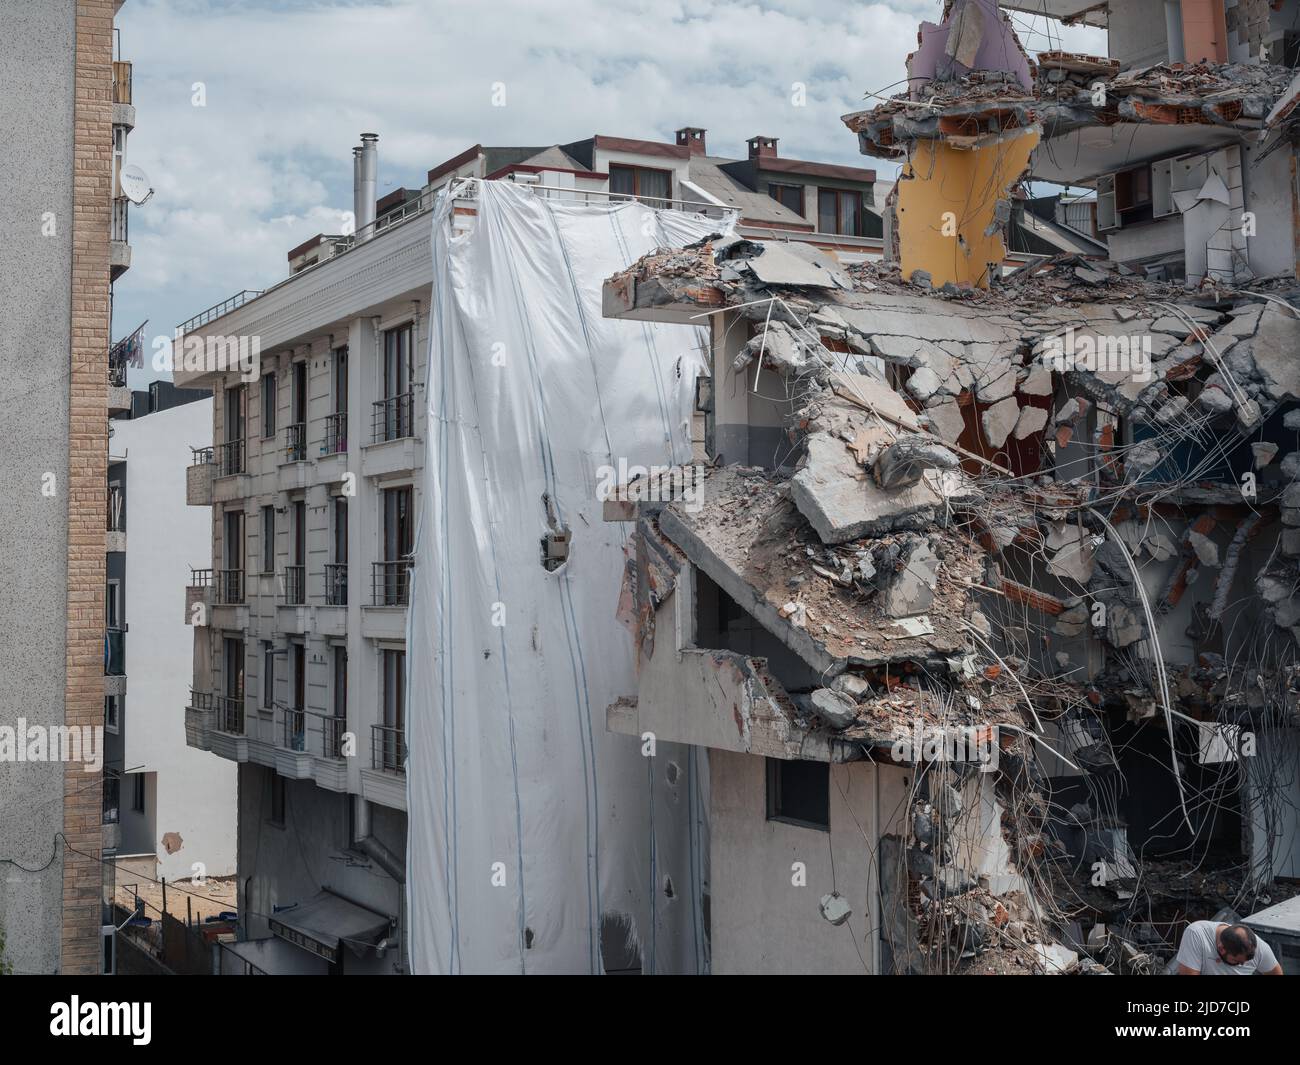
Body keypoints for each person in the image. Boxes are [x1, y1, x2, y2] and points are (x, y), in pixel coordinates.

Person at [1175, 921, 1283, 975]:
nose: (1243, 965)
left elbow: (1276, 973)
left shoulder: (1260, 947)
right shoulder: (1197, 934)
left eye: (1246, 961)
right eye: (1237, 961)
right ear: (1221, 949)